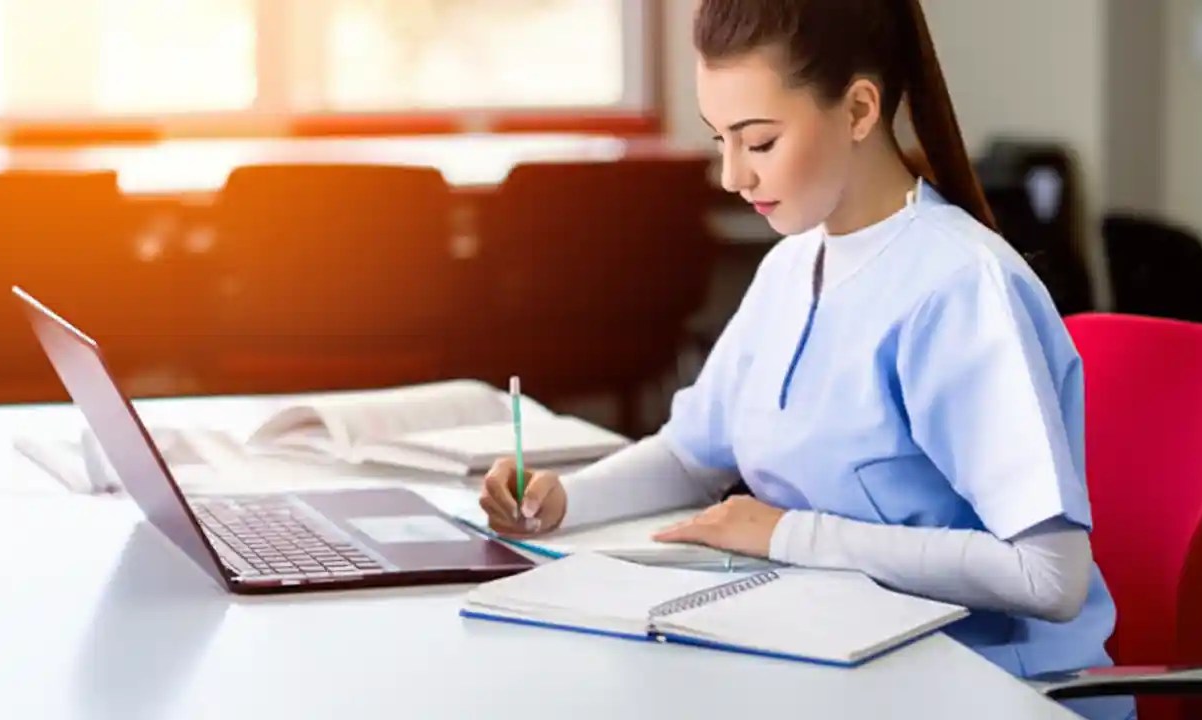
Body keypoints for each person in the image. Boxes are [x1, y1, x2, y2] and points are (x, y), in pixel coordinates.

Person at [478, 1, 1133, 718]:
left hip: (982, 685)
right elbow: (692, 456)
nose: (732, 176)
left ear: (858, 109)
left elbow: (1050, 577)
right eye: (720, 140)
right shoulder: (794, 266)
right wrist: (564, 500)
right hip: (834, 662)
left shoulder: (959, 287)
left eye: (758, 143)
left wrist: (790, 535)